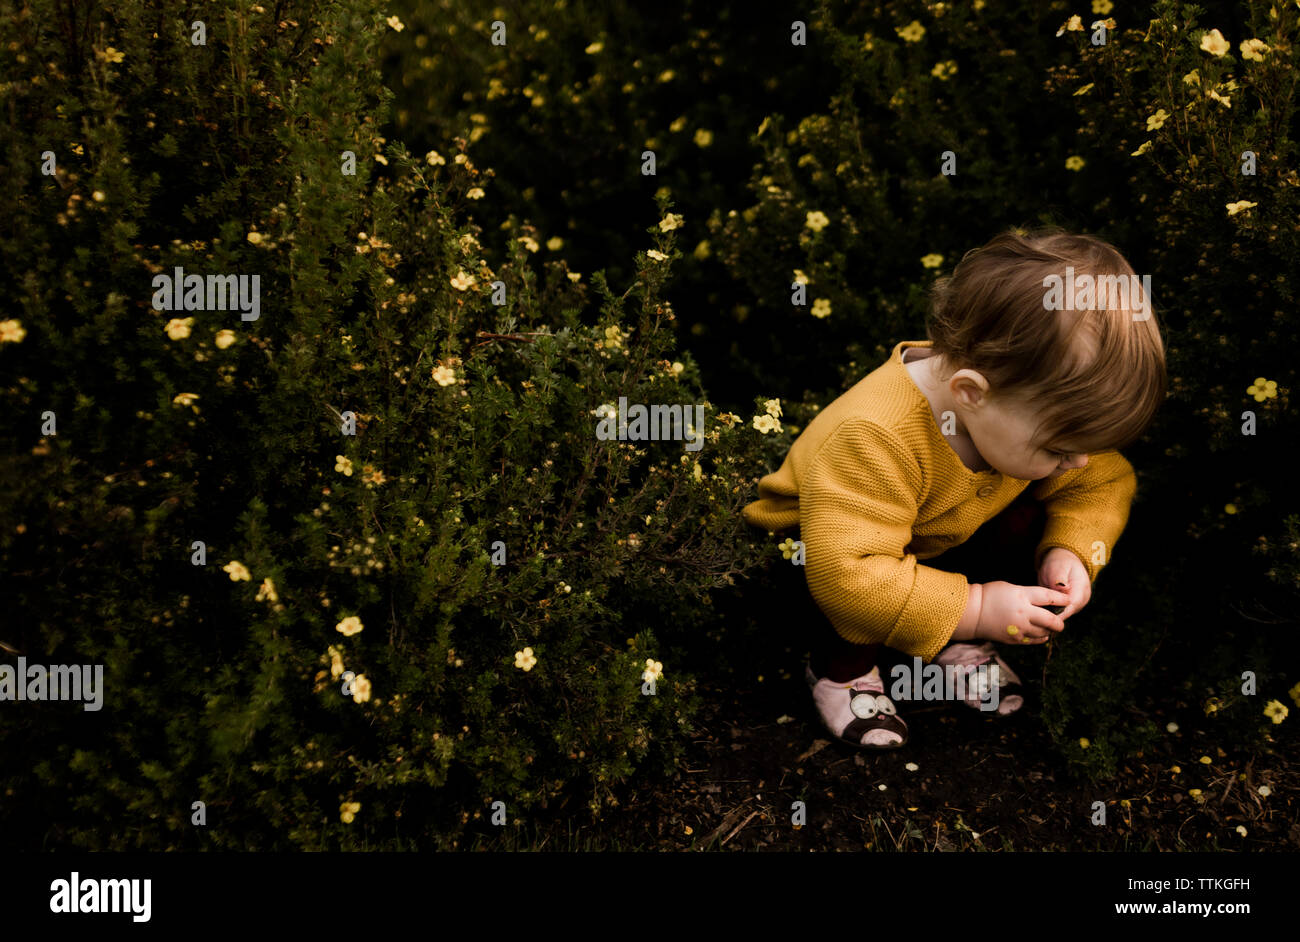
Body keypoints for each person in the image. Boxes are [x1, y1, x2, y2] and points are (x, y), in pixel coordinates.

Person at [741, 228, 1167, 748]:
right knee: (850, 588)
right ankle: (842, 673)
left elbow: (1101, 480)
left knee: (1026, 511)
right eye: (1059, 448)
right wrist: (978, 607)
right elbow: (849, 576)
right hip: (817, 556)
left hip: (929, 541)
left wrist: (1071, 549)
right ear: (971, 393)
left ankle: (944, 636)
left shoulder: (1015, 411)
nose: (1076, 461)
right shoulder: (876, 435)